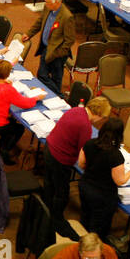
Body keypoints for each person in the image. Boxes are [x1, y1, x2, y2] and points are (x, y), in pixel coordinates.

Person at [46, 96, 112, 239]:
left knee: (51, 184)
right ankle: (55, 219)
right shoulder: (85, 126)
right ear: (99, 114)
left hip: (50, 150)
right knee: (62, 192)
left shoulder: (75, 110)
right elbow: (85, 150)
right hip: (61, 159)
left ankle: (46, 209)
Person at [77, 119, 130, 240]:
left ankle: (82, 240)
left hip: (85, 187)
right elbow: (120, 181)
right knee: (98, 228)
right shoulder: (115, 155)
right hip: (102, 197)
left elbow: (81, 164)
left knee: (85, 217)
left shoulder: (90, 143)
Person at [0, 59, 39, 164]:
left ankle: (2, 144)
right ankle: (4, 151)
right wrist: (36, 98)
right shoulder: (8, 90)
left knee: (12, 123)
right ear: (8, 74)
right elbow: (25, 103)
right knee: (19, 128)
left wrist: (7, 84)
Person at [21, 0, 76, 96]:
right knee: (42, 75)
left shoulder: (67, 17)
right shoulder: (48, 8)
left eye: (48, 2)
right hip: (46, 48)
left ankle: (57, 98)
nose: (45, 4)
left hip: (57, 53)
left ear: (56, 2)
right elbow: (40, 21)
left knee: (56, 78)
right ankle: (58, 96)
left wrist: (58, 53)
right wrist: (29, 33)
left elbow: (70, 40)